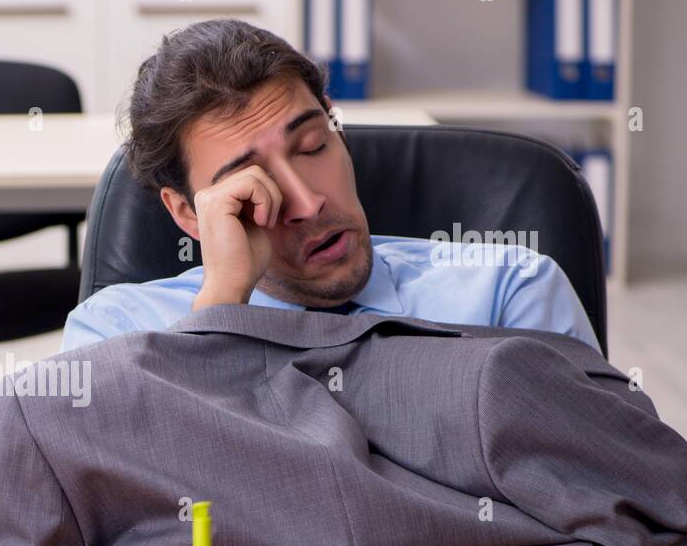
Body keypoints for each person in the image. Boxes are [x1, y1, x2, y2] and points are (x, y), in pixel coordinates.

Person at [62, 19, 600, 354]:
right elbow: (126, 503)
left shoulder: (509, 292)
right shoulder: (117, 334)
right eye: (251, 185)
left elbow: (598, 488)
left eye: (313, 147)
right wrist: (223, 310)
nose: (307, 201)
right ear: (187, 214)